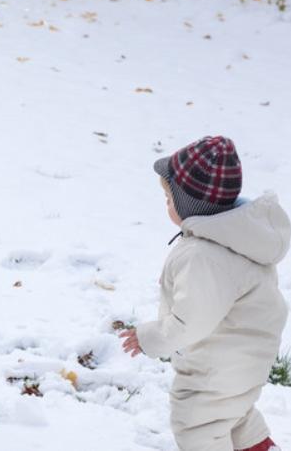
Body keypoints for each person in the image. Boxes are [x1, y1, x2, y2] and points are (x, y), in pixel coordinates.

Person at [120, 136, 289, 451]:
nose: (167, 206)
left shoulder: (205, 255)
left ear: (191, 206)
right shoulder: (242, 236)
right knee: (233, 414)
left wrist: (149, 338)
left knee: (197, 424)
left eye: (170, 200)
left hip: (216, 366)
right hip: (245, 359)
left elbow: (189, 321)